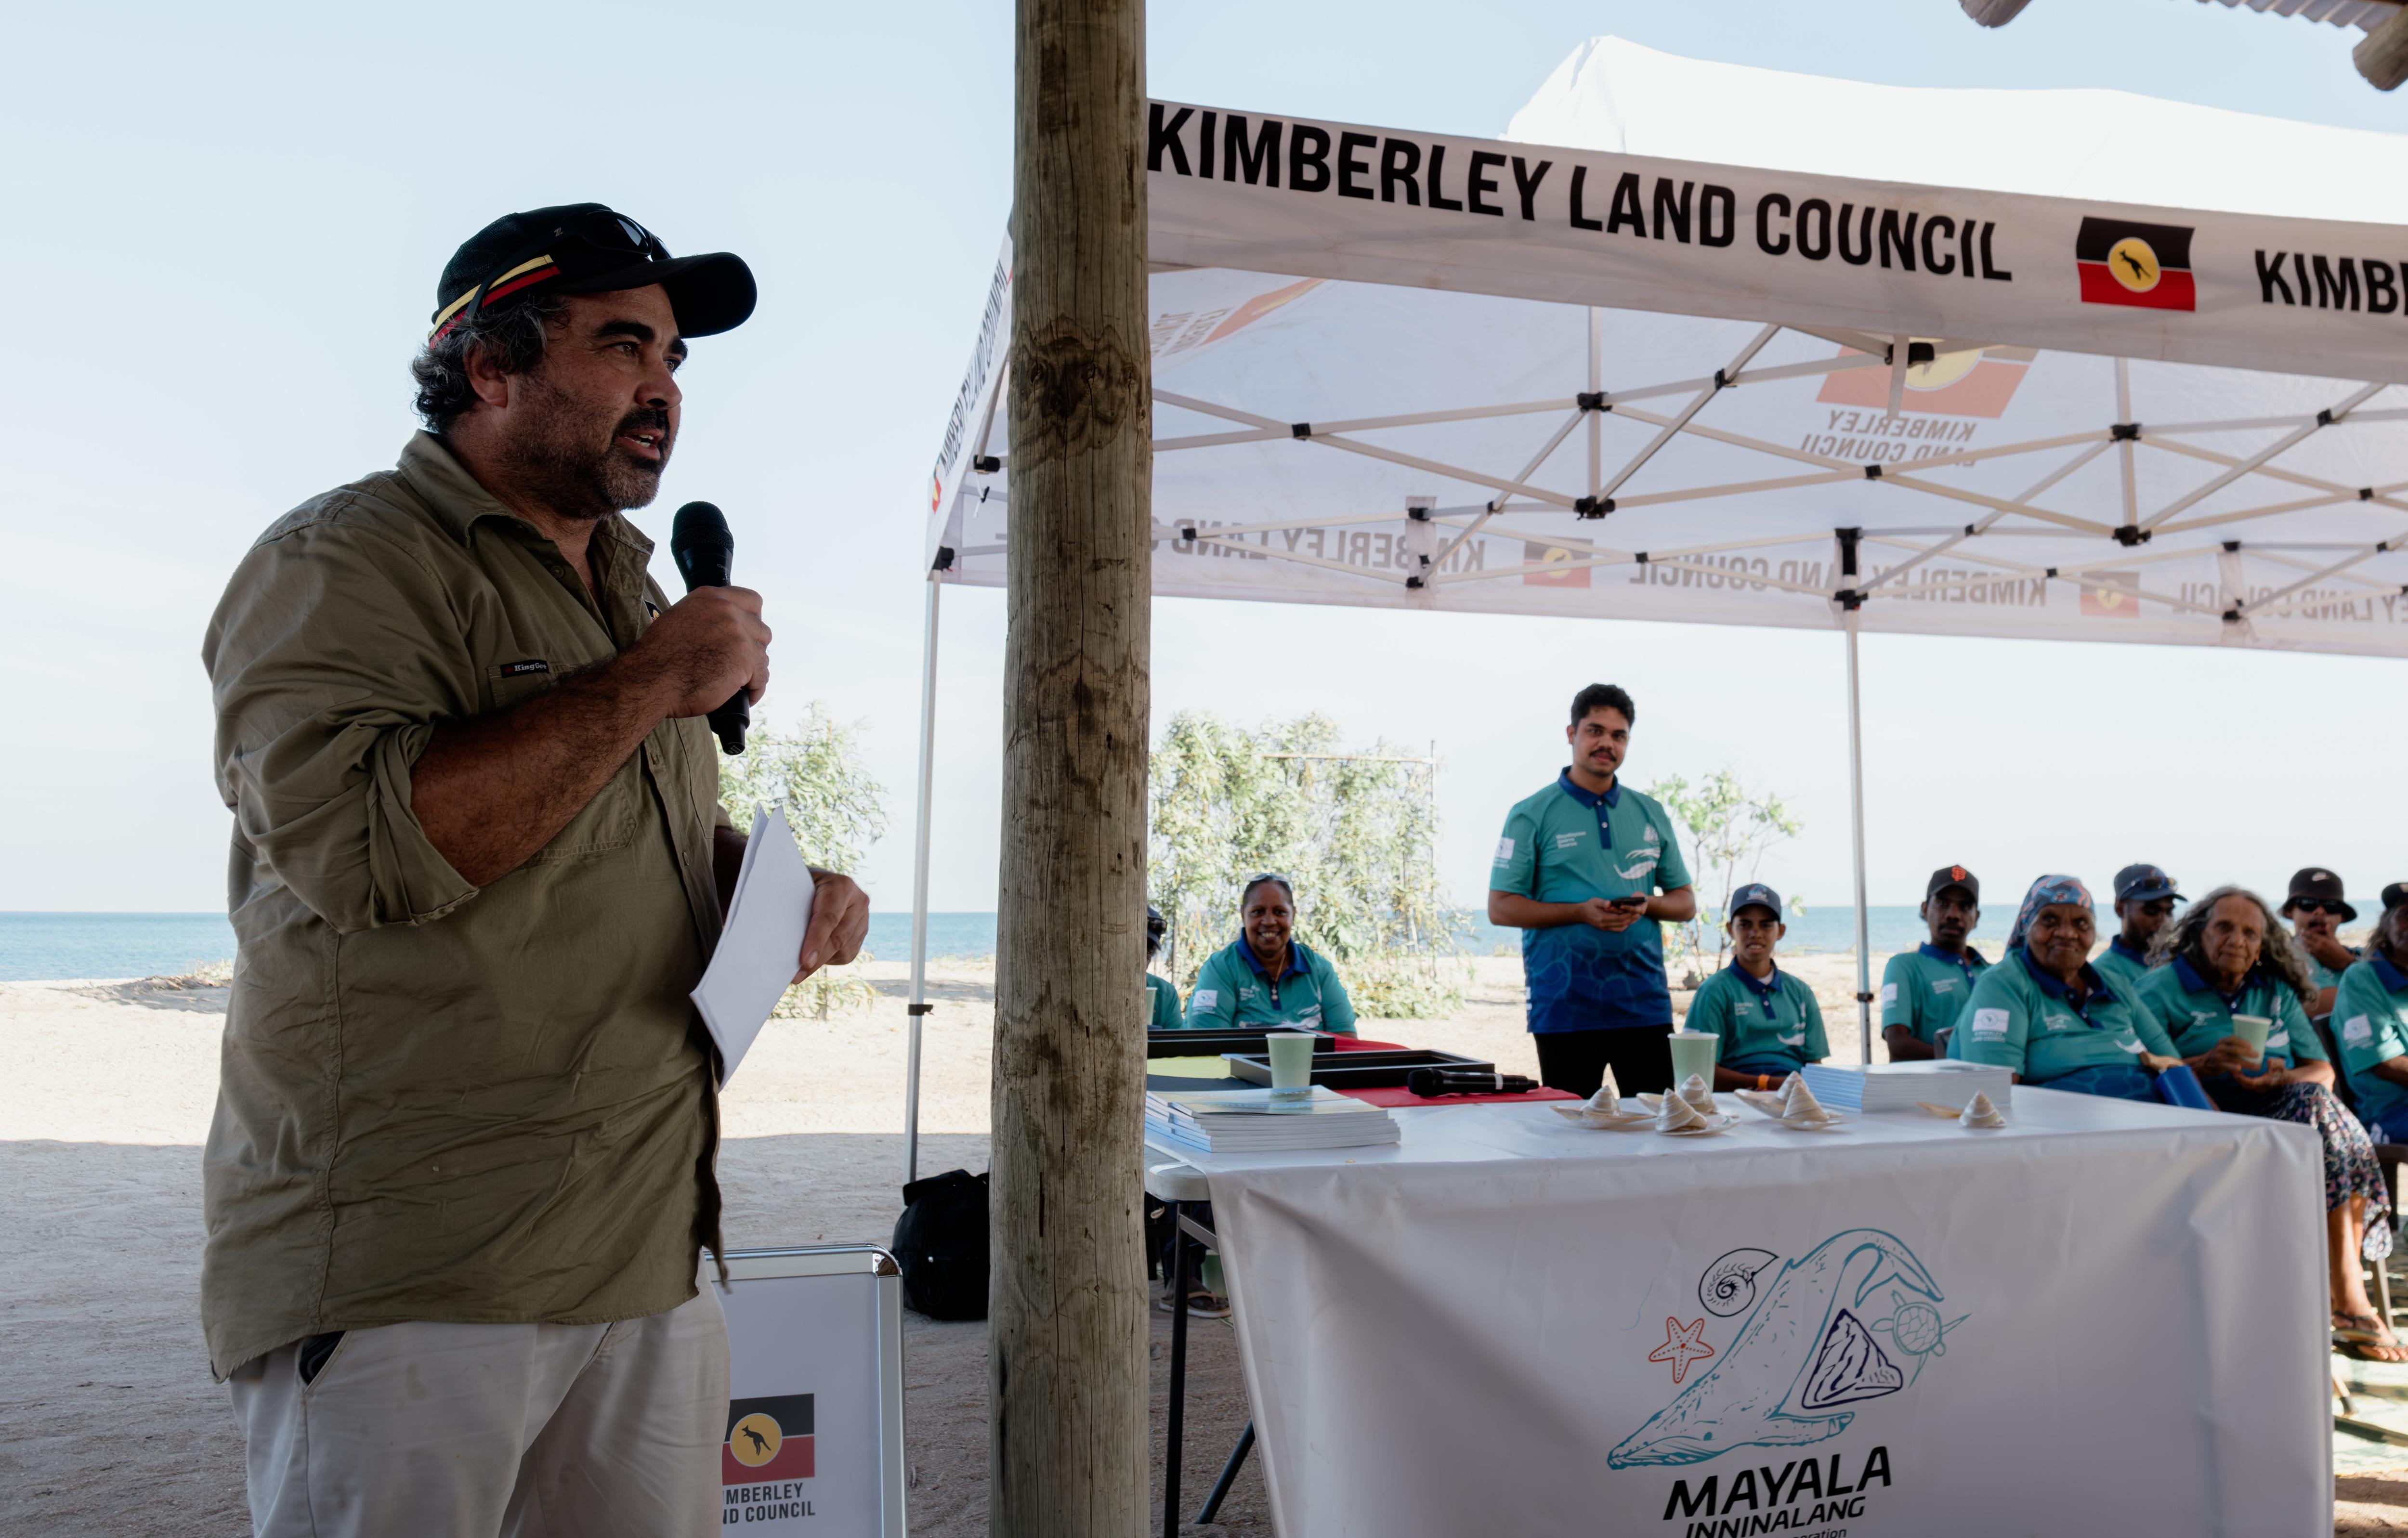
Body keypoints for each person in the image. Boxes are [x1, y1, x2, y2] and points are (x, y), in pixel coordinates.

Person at [201, 204, 871, 1537]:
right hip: (422, 1265)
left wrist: (760, 882)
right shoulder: (343, 560)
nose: (663, 388)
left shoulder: (629, 587)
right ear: (489, 366)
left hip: (646, 1250)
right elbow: (365, 849)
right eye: (623, 344)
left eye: (675, 357)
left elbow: (608, 824)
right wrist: (654, 680)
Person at [2134, 885, 2398, 1360]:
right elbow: (2144, 1070)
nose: (2236, 940)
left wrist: (2280, 1075)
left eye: (2249, 932)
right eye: (2223, 927)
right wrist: (2202, 1062)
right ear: (2196, 933)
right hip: (2198, 1119)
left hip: (2275, 1111)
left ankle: (2342, 1288)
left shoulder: (2271, 990)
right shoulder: (2158, 988)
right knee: (2325, 1115)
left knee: (2320, 1105)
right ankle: (2345, 1294)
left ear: (2261, 945)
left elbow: (2319, 1068)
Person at [1488, 684, 1699, 1096]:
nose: (1607, 743)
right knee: (1572, 1142)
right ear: (1572, 734)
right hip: (1565, 1005)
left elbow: (1685, 903)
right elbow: (1501, 908)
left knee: (1658, 1131)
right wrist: (1580, 911)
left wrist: (1647, 904)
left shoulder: (1650, 811)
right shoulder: (1530, 813)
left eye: (1619, 735)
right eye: (1595, 730)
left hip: (1644, 1004)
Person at [1951, 876, 2177, 1100]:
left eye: (2081, 923)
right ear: (2026, 927)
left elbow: (2173, 1065)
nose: (2067, 934)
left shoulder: (2114, 985)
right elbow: (1993, 1096)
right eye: (2049, 921)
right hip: (2065, 1131)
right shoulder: (2003, 985)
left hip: (2151, 1121)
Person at [1684, 884, 1828, 1091]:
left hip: (1795, 1097)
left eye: (1766, 925)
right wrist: (1767, 1084)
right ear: (1730, 929)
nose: (1756, 933)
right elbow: (1697, 1072)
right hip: (1736, 1100)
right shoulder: (1713, 991)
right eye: (1745, 925)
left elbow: (1815, 1065)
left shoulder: (1801, 992)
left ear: (1781, 931)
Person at [1185, 875, 1357, 1034]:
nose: (1269, 922)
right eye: (1258, 912)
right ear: (1243, 914)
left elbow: (1346, 1039)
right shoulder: (1221, 969)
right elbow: (1208, 1044)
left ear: (1293, 914)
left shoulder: (1319, 970)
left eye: (1280, 912)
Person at [1878, 866, 1986, 1062]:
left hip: (1988, 1089)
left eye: (1964, 907)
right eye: (1943, 903)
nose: (1953, 914)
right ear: (1925, 909)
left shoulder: (1991, 973)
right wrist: (1967, 1061)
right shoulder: (1904, 967)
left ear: (1976, 917)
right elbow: (1898, 1045)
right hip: (1928, 1088)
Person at [2333, 901, 2408, 1146]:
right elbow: (2386, 1064)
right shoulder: (2363, 978)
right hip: (2389, 1115)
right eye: (2405, 914)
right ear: (2386, 924)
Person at [2283, 866, 2361, 1017]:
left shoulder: (2362, 956)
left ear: (2342, 916)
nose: (2320, 912)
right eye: (2307, 903)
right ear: (2290, 911)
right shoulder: (2279, 957)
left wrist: (2348, 963)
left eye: (2331, 906)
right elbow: (2318, 1005)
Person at [2094, 863, 2181, 994]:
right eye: (2151, 911)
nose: (2164, 922)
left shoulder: (2179, 962)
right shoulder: (2101, 976)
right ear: (2120, 909)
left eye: (2169, 912)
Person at [1144, 904, 1182, 1030]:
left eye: (1149, 952)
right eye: (1135, 950)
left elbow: (1176, 1047)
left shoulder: (1165, 996)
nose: (1142, 959)